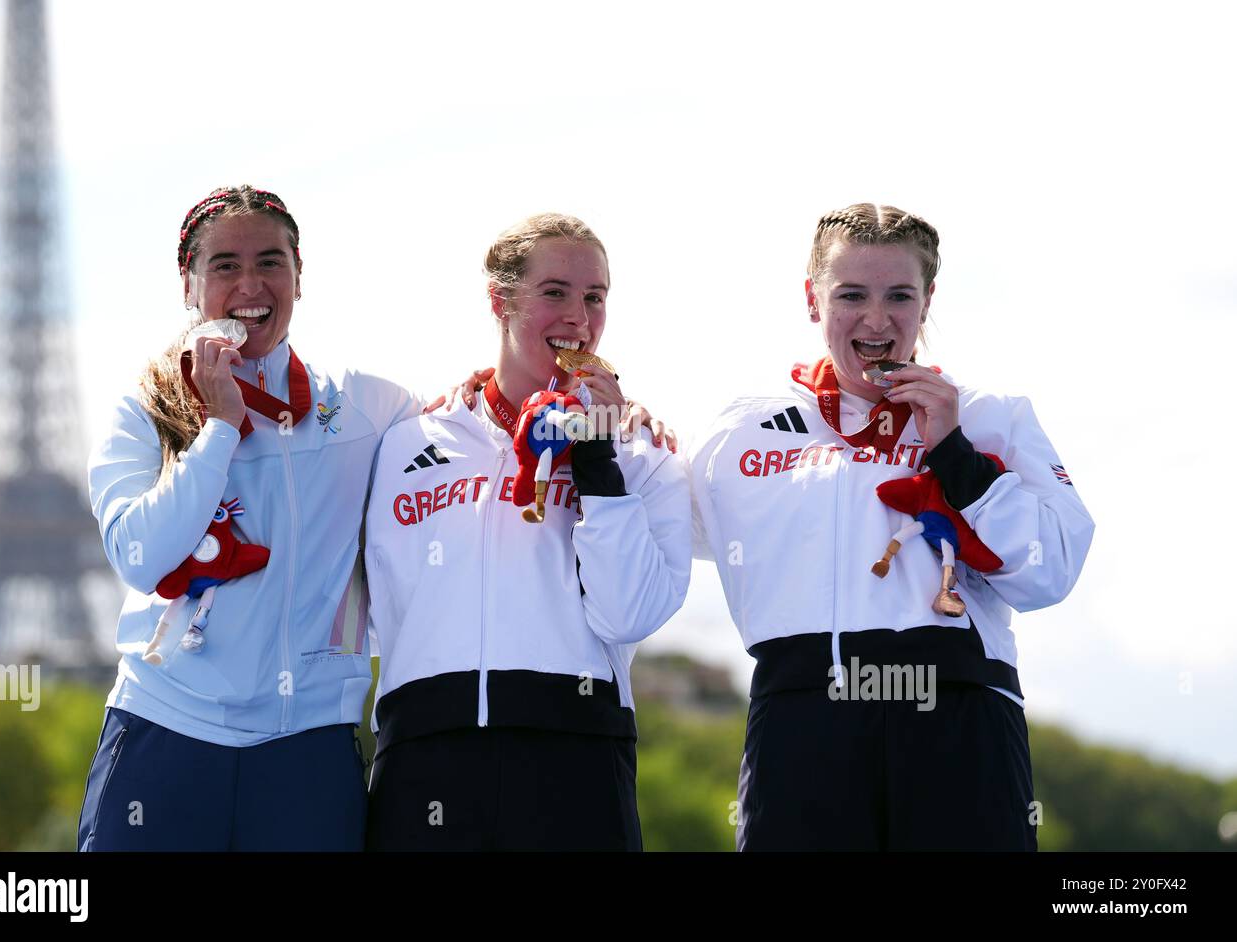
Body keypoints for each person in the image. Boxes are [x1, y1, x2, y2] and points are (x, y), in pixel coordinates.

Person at [77, 185, 490, 851]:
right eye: (224, 265)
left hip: (307, 748)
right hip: (167, 733)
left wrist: (606, 426)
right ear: (188, 282)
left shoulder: (362, 404)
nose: (251, 284)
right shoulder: (144, 410)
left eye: (271, 262)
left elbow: (472, 434)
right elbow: (139, 556)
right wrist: (218, 431)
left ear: (300, 275)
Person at [688, 203, 1095, 851]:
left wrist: (956, 454)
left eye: (899, 295)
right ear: (813, 300)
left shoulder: (991, 416)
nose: (877, 319)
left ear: (928, 301)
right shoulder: (743, 431)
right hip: (802, 718)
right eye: (852, 295)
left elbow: (1050, 570)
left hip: (958, 715)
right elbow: (649, 543)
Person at [362, 213, 691, 851]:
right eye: (555, 293)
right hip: (424, 759)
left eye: (594, 297)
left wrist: (598, 460)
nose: (578, 316)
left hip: (576, 758)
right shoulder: (406, 443)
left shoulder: (642, 452)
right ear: (500, 302)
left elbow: (631, 614)